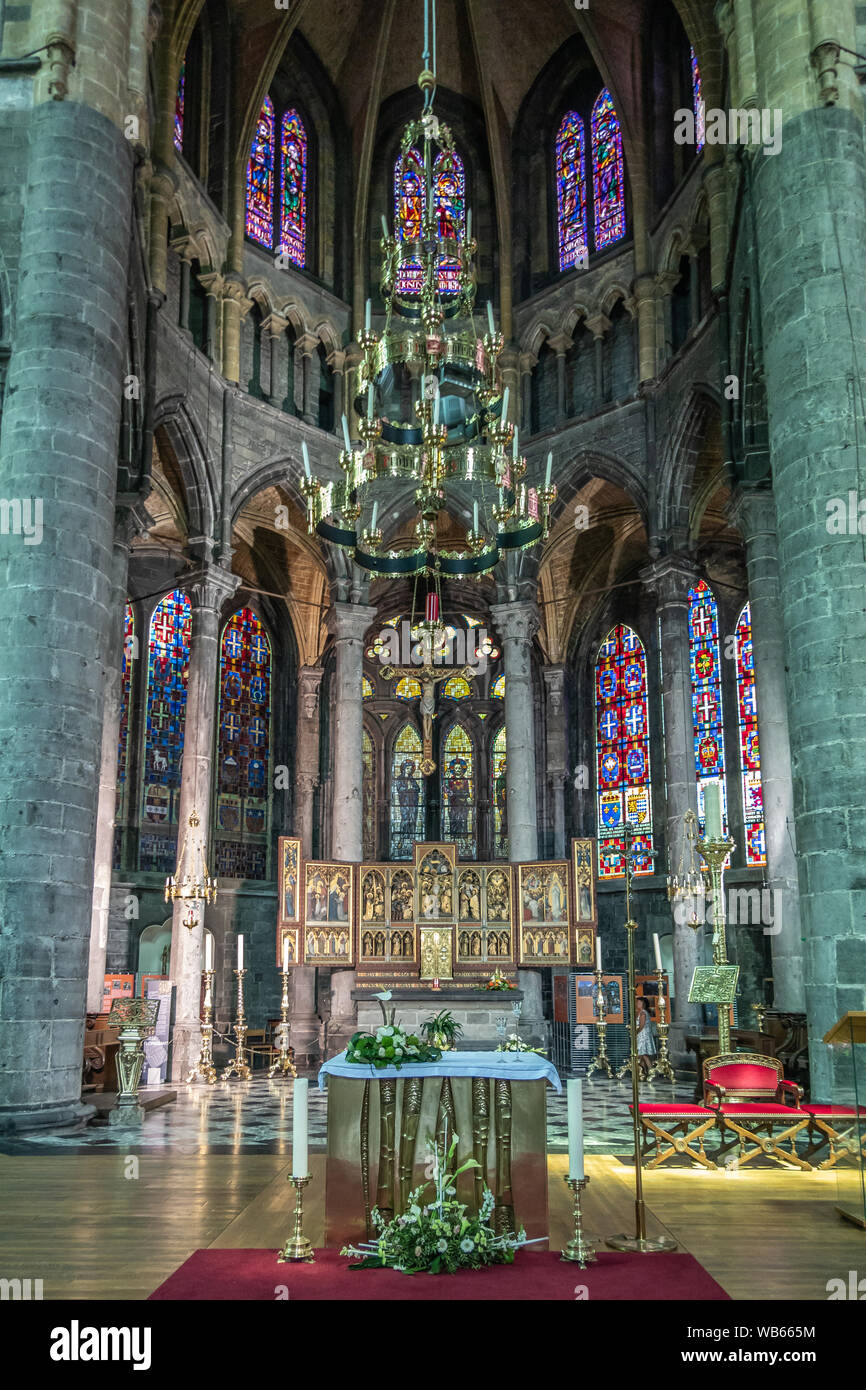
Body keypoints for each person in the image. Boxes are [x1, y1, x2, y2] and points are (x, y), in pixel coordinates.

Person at [636, 995, 657, 1079]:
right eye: (637, 1002)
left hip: (643, 1035)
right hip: (643, 1034)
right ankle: (642, 1072)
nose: (637, 1004)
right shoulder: (642, 1012)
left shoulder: (643, 1013)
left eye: (639, 1003)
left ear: (643, 1004)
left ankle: (651, 1071)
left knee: (643, 1054)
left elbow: (641, 1025)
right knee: (641, 1055)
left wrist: (636, 1033)